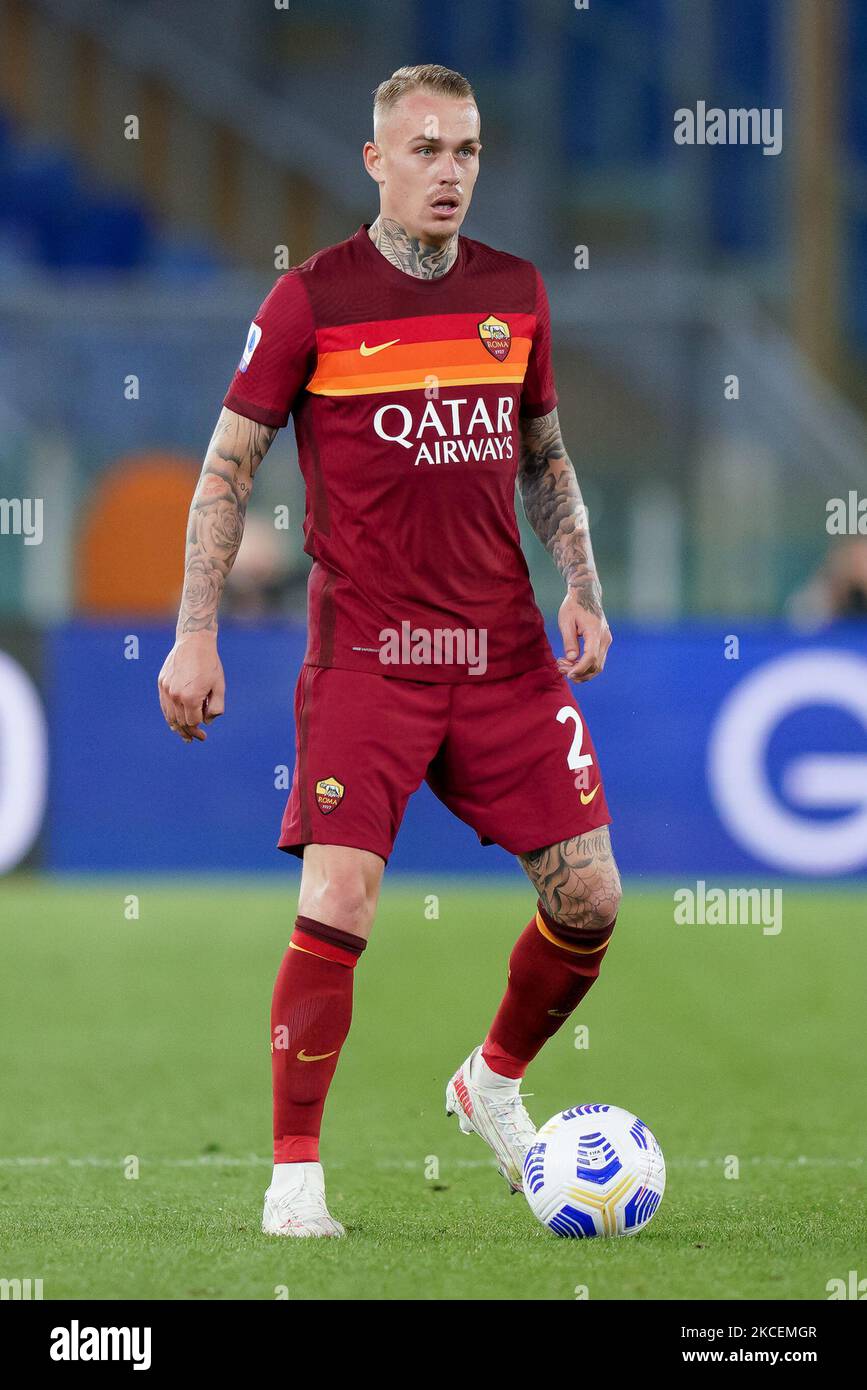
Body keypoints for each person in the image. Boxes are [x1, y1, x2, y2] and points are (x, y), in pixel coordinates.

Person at [157, 63, 620, 1238]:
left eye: (466, 150)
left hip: (506, 655)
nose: (450, 171)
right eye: (425, 150)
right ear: (375, 161)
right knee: (344, 895)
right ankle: (296, 1177)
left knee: (592, 901)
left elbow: (544, 452)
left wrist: (581, 578)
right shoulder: (313, 299)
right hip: (368, 654)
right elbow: (226, 468)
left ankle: (493, 1083)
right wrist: (195, 630)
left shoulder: (515, 292)